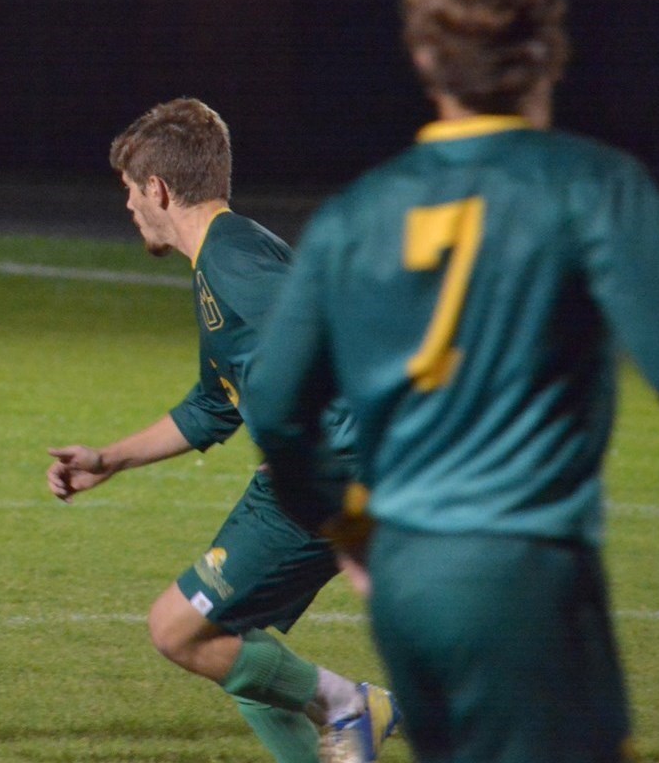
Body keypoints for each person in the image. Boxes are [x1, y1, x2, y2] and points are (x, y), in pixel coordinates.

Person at [242, 0, 659, 761]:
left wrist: (352, 529)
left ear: (425, 63)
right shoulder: (593, 186)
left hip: (408, 584)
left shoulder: (355, 213)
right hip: (525, 575)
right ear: (549, 56)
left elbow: (278, 407)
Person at [44, 98, 397, 763]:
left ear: (158, 189)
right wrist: (109, 459)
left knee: (177, 629)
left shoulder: (236, 264)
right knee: (234, 648)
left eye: (129, 192)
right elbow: (213, 405)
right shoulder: (227, 256)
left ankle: (353, 705)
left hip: (318, 482)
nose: (127, 208)